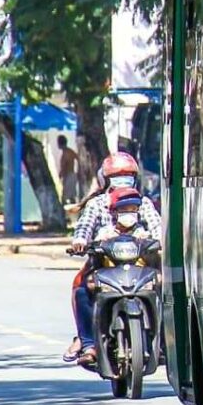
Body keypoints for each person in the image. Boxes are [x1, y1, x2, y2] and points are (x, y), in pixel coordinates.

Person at [62, 152, 159, 363]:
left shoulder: (145, 204)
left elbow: (158, 228)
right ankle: (88, 343)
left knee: (165, 285)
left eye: (127, 176)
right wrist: (80, 242)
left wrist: (159, 241)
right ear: (105, 180)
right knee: (82, 288)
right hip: (103, 264)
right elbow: (84, 227)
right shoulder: (97, 204)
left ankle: (164, 341)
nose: (122, 181)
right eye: (117, 176)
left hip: (141, 264)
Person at [57, 134, 79, 204]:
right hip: (72, 175)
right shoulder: (70, 151)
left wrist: (60, 175)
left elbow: (64, 167)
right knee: (72, 197)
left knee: (64, 198)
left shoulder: (65, 154)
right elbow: (78, 158)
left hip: (68, 176)